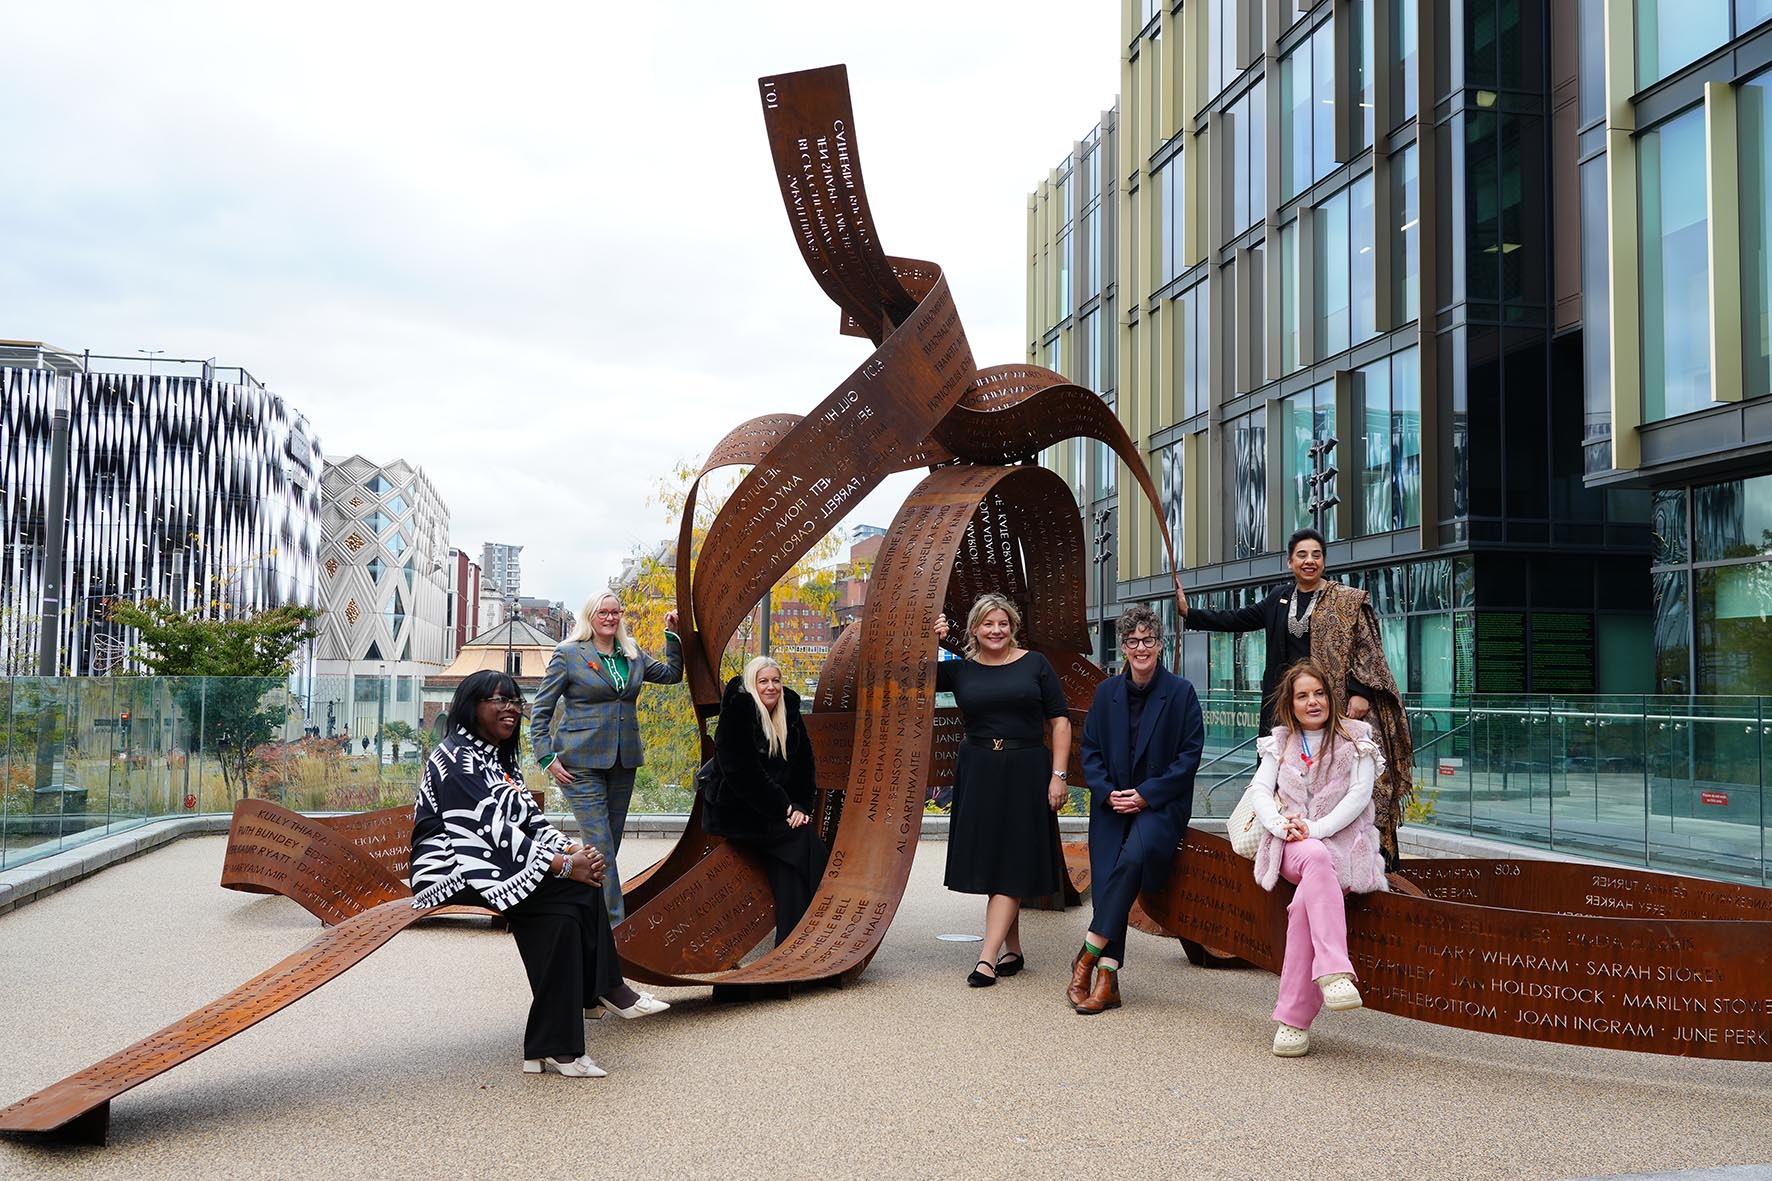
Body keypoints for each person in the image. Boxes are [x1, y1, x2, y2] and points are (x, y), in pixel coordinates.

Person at [409, 669, 668, 1079]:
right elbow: (486, 828)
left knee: (569, 908)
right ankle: (595, 999)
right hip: (453, 866)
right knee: (570, 894)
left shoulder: (496, 760)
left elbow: (530, 821)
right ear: (471, 706)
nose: (511, 709)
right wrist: (562, 865)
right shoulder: (455, 756)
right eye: (499, 700)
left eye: (515, 701)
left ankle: (560, 1039)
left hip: (494, 861)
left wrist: (571, 849)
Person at [1177, 527, 1414, 863]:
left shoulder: (1344, 601)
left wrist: (1359, 692)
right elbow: (1237, 619)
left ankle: (1345, 854)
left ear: (1323, 561)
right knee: (1275, 779)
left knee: (1336, 780)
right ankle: (1276, 850)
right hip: (1283, 708)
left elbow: (1366, 650)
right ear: (1290, 562)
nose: (1309, 561)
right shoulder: (1278, 599)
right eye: (1302, 555)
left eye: (1316, 555)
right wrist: (1191, 614)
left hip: (1327, 707)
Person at [1244, 660, 1388, 1058]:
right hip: (1290, 844)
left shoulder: (1357, 739)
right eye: (1303, 695)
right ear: (1291, 703)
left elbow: (1359, 796)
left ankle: (1293, 1022)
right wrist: (1280, 824)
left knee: (1306, 900)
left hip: (1340, 844)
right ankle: (1334, 970)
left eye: (1319, 693)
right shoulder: (1280, 741)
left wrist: (1316, 829)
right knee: (1310, 856)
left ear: (1331, 696)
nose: (1313, 702)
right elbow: (1259, 790)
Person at [1070, 603, 1205, 1015]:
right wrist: (1108, 792)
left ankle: (1087, 957)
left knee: (1131, 861)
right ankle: (1108, 979)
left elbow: (1189, 757)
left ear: (1160, 645)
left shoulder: (1180, 692)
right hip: (1112, 802)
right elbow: (1089, 750)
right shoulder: (1106, 692)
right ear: (1124, 648)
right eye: (1133, 641)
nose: (1141, 647)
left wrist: (1146, 794)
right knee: (1111, 873)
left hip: (1159, 805)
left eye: (1149, 640)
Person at [932, 593, 1071, 987]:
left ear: (1013, 627)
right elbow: (907, 670)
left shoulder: (1035, 664)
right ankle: (1013, 949)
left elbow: (1059, 721)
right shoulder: (961, 671)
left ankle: (986, 959)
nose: (997, 630)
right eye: (988, 624)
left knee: (1011, 859)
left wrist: (1058, 775)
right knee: (996, 858)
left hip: (1026, 768)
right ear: (975, 629)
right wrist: (932, 637)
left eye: (1003, 623)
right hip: (979, 769)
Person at [531, 591, 684, 923]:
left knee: (607, 848)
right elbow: (540, 711)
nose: (611, 618)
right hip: (579, 764)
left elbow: (673, 675)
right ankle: (615, 930)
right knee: (600, 846)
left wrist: (672, 633)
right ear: (591, 616)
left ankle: (579, 911)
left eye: (616, 612)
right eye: (604, 612)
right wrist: (546, 757)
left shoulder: (631, 654)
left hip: (623, 761)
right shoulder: (568, 654)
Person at [705, 656, 830, 946]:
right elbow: (741, 771)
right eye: (763, 681)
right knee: (803, 842)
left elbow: (804, 765)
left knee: (789, 868)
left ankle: (791, 944)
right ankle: (828, 910)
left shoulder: (789, 710)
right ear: (752, 684)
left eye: (776, 680)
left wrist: (800, 806)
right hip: (738, 810)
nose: (771, 687)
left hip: (777, 811)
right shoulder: (739, 710)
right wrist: (784, 807)